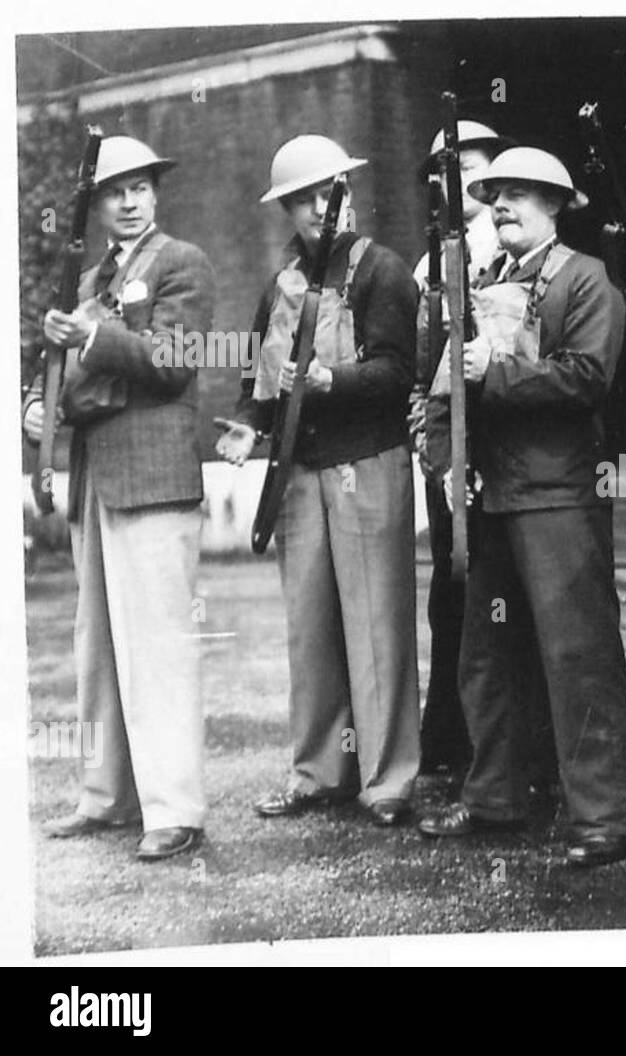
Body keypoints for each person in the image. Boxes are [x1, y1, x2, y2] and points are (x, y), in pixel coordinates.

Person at [419, 147, 626, 867]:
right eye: (496, 195)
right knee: (485, 656)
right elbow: (445, 388)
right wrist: (449, 459)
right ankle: (493, 797)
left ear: (555, 203)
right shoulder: (483, 283)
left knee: (578, 657)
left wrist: (494, 370)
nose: (502, 205)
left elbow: (586, 379)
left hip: (558, 496)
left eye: (519, 193)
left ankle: (604, 816)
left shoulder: (586, 279)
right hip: (494, 493)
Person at [215, 135, 421, 828]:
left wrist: (335, 379)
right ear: (288, 211)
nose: (317, 209)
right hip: (297, 471)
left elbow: (399, 373)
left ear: (347, 194)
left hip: (368, 463)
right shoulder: (280, 286)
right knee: (311, 629)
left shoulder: (381, 271)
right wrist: (247, 422)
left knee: (376, 625)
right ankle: (318, 772)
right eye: (301, 199)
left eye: (326, 193)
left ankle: (387, 779)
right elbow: (256, 376)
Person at [27, 135, 214, 861]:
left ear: (156, 195)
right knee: (97, 644)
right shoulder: (91, 281)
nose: (131, 201)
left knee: (160, 646)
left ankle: (175, 809)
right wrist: (42, 408)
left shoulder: (181, 262)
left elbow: (174, 361)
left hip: (155, 475)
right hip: (98, 475)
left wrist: (93, 335)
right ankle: (106, 796)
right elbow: (85, 383)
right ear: (96, 206)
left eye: (141, 187)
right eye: (115, 191)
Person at [409, 120, 511, 794]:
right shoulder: (430, 258)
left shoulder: (501, 243)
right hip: (445, 433)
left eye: (469, 163)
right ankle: (448, 731)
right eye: (444, 166)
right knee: (449, 591)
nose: (456, 178)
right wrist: (422, 408)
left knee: (488, 593)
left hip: (494, 432)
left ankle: (496, 744)